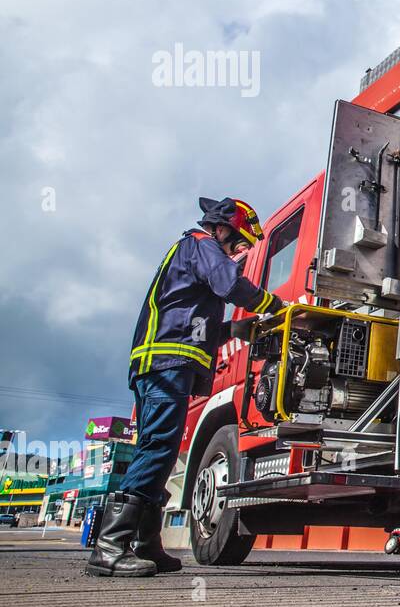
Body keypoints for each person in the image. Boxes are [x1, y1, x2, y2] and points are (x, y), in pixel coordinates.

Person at [86, 197, 284, 577]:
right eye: (236, 243)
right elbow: (229, 284)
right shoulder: (200, 245)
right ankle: (110, 546)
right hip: (167, 365)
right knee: (158, 447)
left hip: (158, 364)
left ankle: (145, 544)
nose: (234, 252)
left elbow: (193, 322)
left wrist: (232, 330)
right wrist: (271, 303)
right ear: (222, 227)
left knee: (155, 450)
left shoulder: (189, 252)